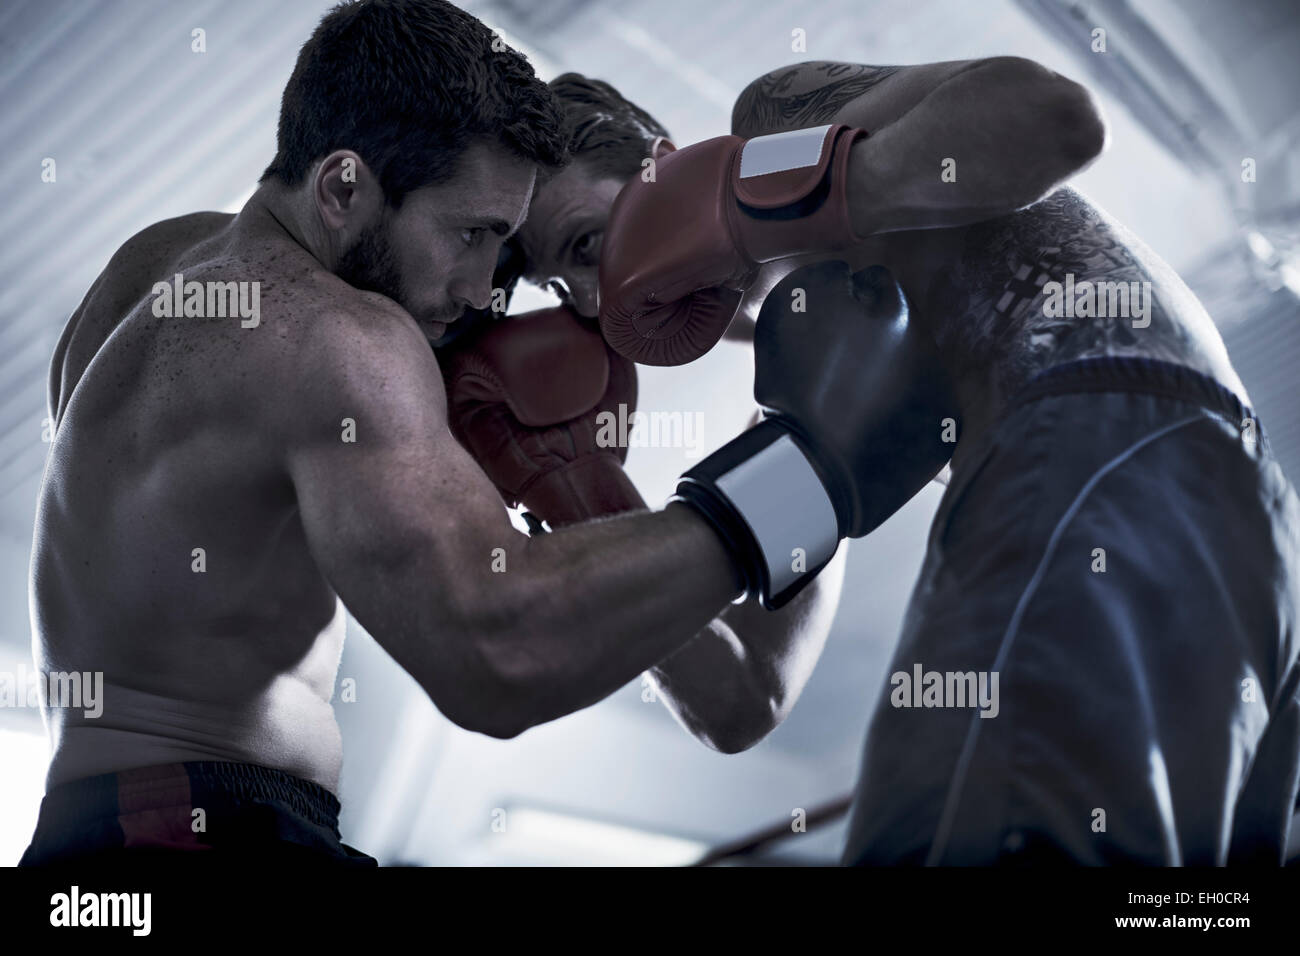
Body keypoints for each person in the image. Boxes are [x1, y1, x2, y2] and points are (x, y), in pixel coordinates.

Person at [23, 0, 900, 869]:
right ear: (342, 186)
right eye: (475, 235)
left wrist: (761, 297)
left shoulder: (152, 267)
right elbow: (497, 657)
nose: (485, 289)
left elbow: (741, 697)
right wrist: (817, 468)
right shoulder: (342, 340)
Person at [487, 60, 1299, 863]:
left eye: (586, 245)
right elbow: (741, 697)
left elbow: (1055, 116)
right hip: (1245, 542)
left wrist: (767, 203)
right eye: (564, 289)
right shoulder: (810, 400)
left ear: (659, 161)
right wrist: (578, 495)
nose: (597, 302)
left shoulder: (777, 119)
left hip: (1102, 424)